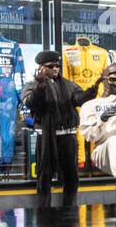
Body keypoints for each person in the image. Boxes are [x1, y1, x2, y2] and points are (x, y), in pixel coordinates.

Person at [21, 50, 99, 208]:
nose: (56, 68)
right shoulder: (33, 85)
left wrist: (93, 89)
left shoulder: (68, 84)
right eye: (51, 66)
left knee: (72, 177)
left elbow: (79, 99)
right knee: (45, 177)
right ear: (41, 67)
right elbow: (30, 103)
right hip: (47, 137)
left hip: (68, 136)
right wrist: (41, 87)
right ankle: (44, 211)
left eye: (57, 65)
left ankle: (70, 209)